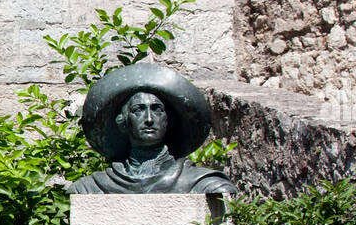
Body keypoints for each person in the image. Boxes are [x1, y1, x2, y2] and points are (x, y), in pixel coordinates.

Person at [68, 62, 235, 195]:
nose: (148, 119)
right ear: (124, 123)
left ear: (168, 121)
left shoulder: (201, 184)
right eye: (138, 110)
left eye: (157, 110)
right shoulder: (91, 188)